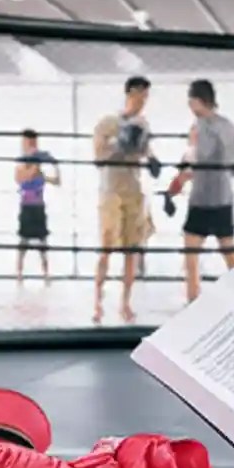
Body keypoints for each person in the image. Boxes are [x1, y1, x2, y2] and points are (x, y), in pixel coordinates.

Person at [91, 75, 158, 324]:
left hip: (133, 190)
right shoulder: (107, 123)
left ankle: (125, 304)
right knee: (106, 248)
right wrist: (119, 144)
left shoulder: (143, 125)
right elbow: (98, 158)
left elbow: (145, 152)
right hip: (110, 191)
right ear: (132, 93)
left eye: (147, 98)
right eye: (142, 96)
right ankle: (97, 304)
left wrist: (152, 159)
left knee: (132, 250)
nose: (144, 102)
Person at [167, 79, 234, 303]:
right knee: (228, 250)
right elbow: (232, 166)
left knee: (191, 251)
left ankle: (193, 299)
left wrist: (176, 184)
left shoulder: (202, 126)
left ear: (199, 101)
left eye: (191, 102)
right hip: (224, 196)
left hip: (204, 198)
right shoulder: (230, 126)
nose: (190, 107)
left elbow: (198, 160)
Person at [15, 129, 60, 284]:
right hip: (26, 207)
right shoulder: (22, 163)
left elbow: (56, 181)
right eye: (28, 143)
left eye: (33, 142)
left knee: (42, 244)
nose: (31, 146)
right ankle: (19, 274)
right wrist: (35, 163)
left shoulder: (39, 164)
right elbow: (21, 178)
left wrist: (55, 166)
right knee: (23, 244)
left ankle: (46, 273)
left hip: (39, 207)